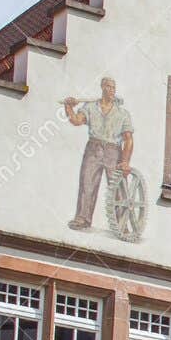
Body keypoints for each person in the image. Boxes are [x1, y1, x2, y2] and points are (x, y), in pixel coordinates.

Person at [64, 76, 134, 230]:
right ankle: (82, 219)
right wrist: (69, 108)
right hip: (93, 148)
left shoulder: (123, 114)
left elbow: (128, 139)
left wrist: (126, 161)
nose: (111, 90)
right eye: (108, 86)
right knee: (87, 183)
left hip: (113, 150)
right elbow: (76, 120)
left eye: (113, 87)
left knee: (118, 188)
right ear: (102, 88)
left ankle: (122, 224)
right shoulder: (90, 107)